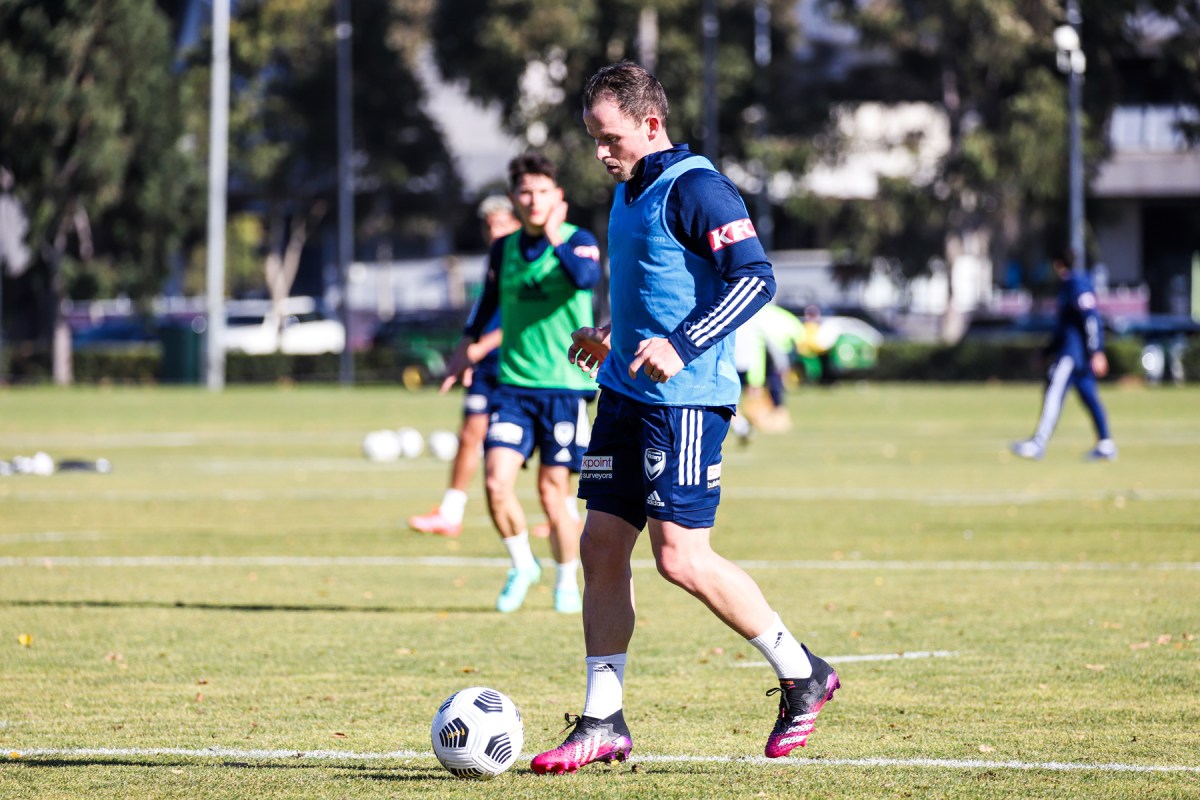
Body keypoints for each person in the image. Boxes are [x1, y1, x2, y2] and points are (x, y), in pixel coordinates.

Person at [530, 61, 840, 775]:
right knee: (600, 546)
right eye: (592, 140)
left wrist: (681, 343)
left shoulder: (698, 187)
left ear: (650, 123)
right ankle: (603, 719)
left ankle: (804, 674)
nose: (602, 153)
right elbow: (659, 284)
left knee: (679, 558)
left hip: (688, 402)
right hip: (625, 395)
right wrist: (612, 331)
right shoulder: (628, 189)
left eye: (611, 138)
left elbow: (755, 280)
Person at [442, 152, 602, 613]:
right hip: (512, 388)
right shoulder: (504, 248)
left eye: (543, 192)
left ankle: (566, 580)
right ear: (515, 198)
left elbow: (585, 278)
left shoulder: (578, 242)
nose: (534, 200)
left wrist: (553, 234)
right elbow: (487, 302)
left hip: (565, 388)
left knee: (553, 493)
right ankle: (522, 563)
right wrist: (465, 348)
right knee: (495, 482)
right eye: (526, 193)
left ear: (559, 199)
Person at [408, 196, 521, 538]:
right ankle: (450, 513)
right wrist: (466, 353)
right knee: (469, 434)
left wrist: (482, 346)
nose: (494, 231)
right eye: (489, 226)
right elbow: (482, 313)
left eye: (502, 224)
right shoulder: (496, 260)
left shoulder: (527, 259)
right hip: (486, 365)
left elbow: (527, 318)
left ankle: (565, 512)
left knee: (547, 448)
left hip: (521, 365)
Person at [1011, 250, 1117, 461]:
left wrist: (1097, 351)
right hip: (1079, 355)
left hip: (1073, 355)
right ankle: (1105, 444)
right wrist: (1045, 352)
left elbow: (1091, 318)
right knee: (1089, 397)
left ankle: (1038, 443)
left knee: (1053, 392)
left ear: (1057, 264)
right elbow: (1065, 329)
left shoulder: (1075, 284)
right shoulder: (1070, 285)